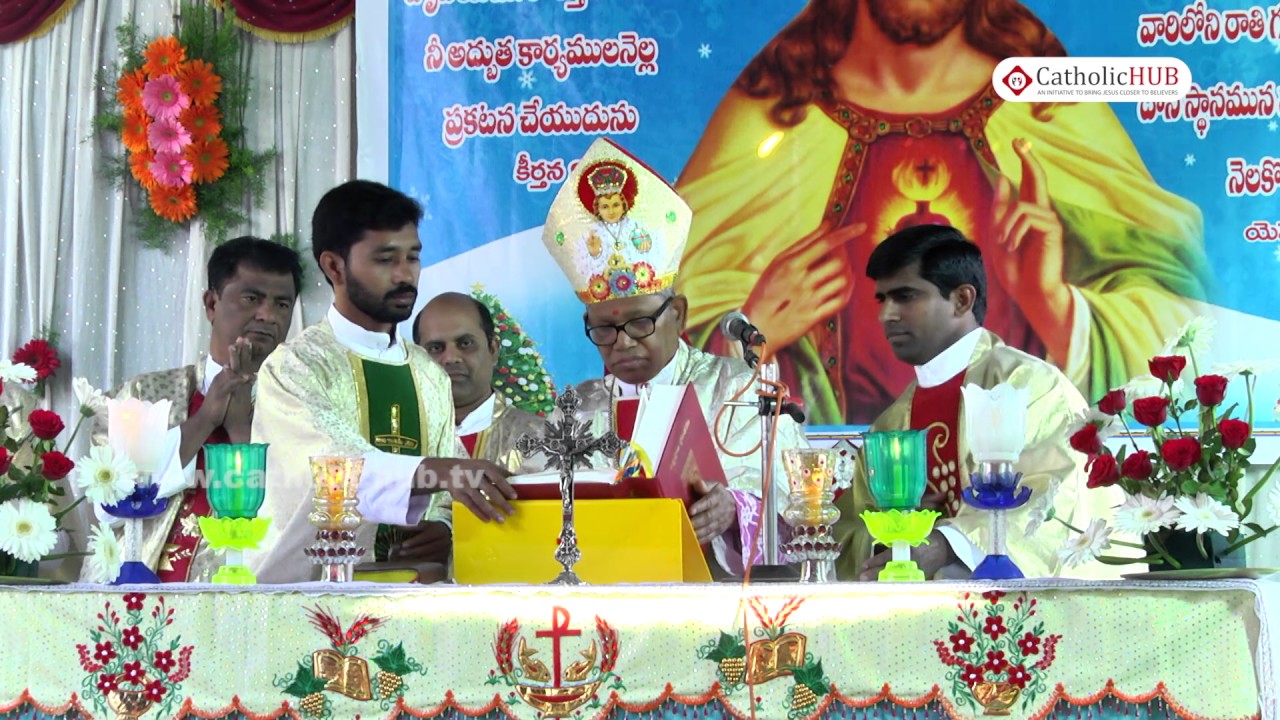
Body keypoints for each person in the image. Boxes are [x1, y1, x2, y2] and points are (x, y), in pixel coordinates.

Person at [675, 0, 1210, 425]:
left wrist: (1054, 304)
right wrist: (754, 329)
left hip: (1016, 485)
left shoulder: (1046, 105)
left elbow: (1182, 316)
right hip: (829, 489)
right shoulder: (773, 114)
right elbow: (662, 328)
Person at [542, 137, 809, 576]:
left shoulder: (740, 389)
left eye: (640, 323)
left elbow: (796, 505)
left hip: (714, 599)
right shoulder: (575, 409)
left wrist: (733, 508)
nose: (623, 343)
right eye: (604, 329)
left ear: (678, 314)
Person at [248, 180, 516, 583]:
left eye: (413, 257)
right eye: (385, 259)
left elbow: (448, 489)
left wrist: (444, 527)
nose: (405, 275)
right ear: (334, 266)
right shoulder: (296, 367)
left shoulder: (427, 372)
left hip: (417, 596)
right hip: (314, 598)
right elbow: (329, 467)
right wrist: (437, 471)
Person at [832, 224, 1123, 580]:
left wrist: (945, 544)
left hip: (1030, 608)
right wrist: (893, 539)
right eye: (883, 299)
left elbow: (1054, 496)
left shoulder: (1027, 385)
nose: (887, 315)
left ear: (962, 300)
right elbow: (850, 527)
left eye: (905, 296)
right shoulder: (891, 425)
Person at [87, 236, 302, 582]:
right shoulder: (141, 396)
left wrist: (240, 430)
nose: (267, 315)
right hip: (140, 595)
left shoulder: (299, 406)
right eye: (252, 298)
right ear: (211, 304)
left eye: (282, 304)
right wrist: (205, 419)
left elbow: (296, 512)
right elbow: (109, 506)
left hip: (253, 594)